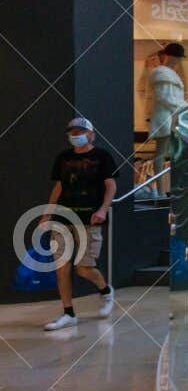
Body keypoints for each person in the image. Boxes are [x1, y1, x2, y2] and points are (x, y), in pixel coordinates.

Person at [41, 117, 117, 331]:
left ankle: (106, 291)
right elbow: (58, 187)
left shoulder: (102, 156)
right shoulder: (63, 158)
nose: (76, 135)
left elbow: (111, 186)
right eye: (72, 132)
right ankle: (68, 313)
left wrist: (103, 209)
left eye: (80, 132)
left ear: (91, 134)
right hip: (63, 218)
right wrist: (47, 214)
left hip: (89, 219)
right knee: (61, 268)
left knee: (83, 269)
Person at [146, 42, 187, 193]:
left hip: (171, 115)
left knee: (165, 152)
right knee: (161, 153)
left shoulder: (167, 73)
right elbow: (164, 96)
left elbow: (168, 97)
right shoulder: (161, 73)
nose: (179, 60)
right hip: (165, 116)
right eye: (178, 57)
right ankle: (160, 190)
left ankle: (162, 189)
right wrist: (184, 107)